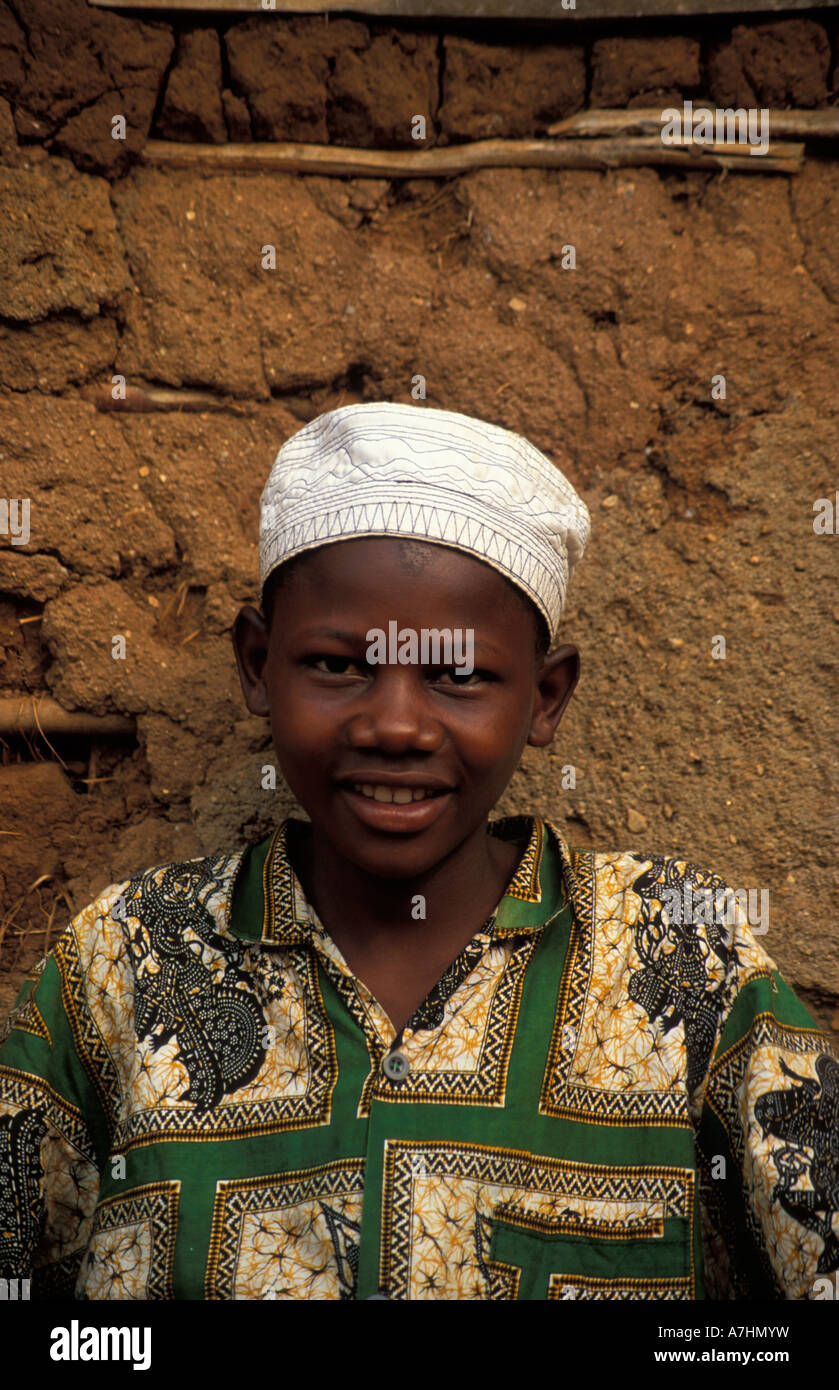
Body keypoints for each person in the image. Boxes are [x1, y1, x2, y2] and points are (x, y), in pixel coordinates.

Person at [0, 402, 836, 1302]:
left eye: (459, 675)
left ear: (546, 697)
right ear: (256, 664)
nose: (395, 724)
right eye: (336, 665)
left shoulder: (683, 959)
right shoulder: (124, 961)